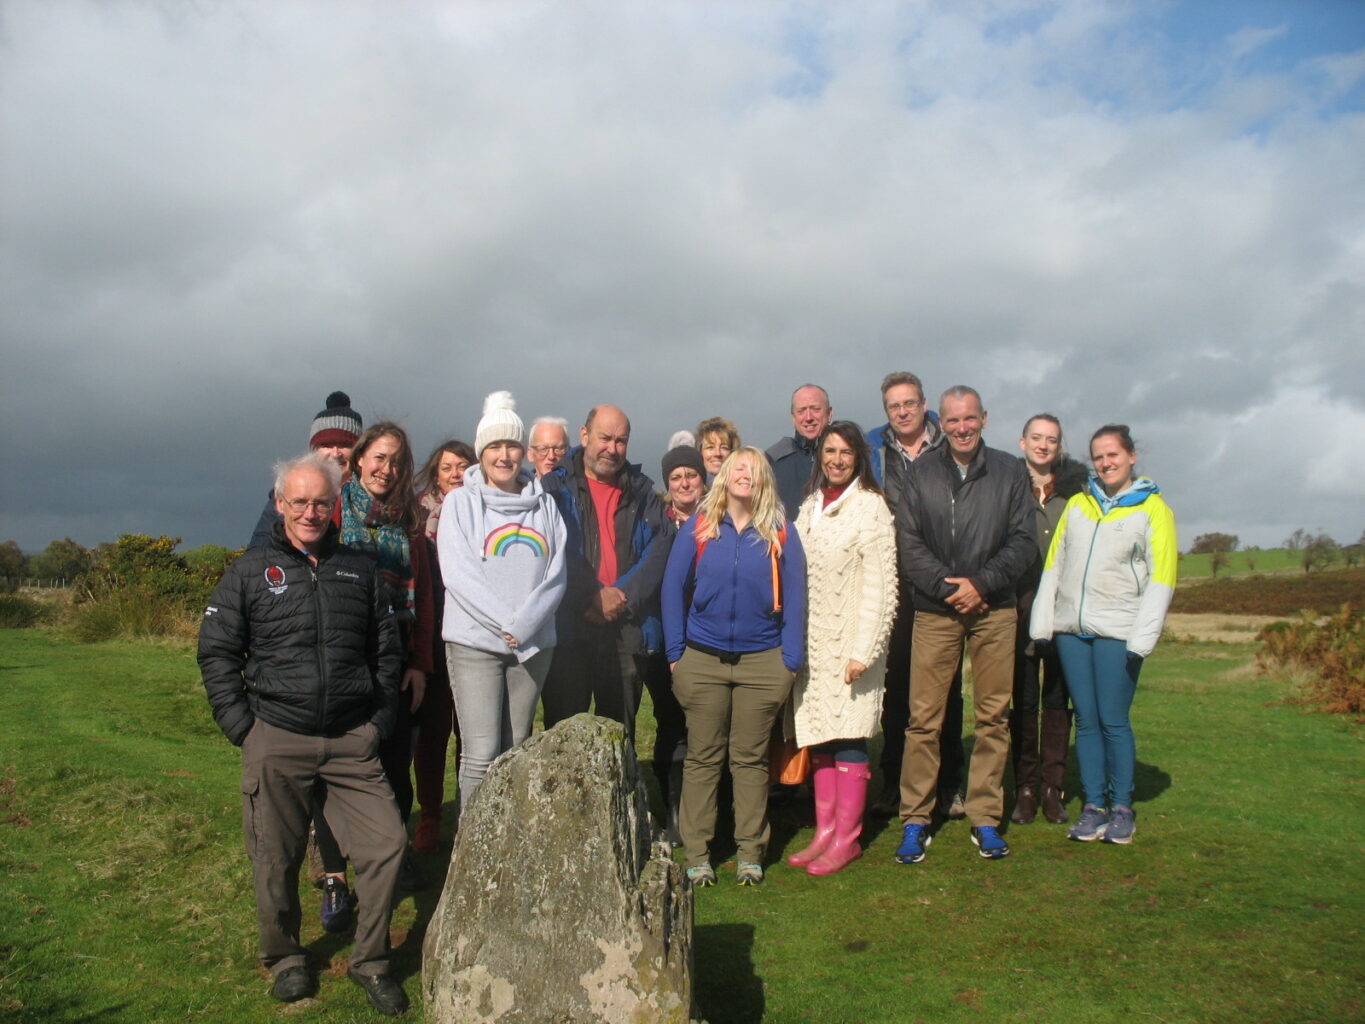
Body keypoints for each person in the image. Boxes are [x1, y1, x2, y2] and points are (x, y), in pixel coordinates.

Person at [199, 452, 409, 1015]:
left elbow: (386, 654)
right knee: (276, 857)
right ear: (279, 504)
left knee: (387, 844)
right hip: (277, 734)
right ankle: (286, 959)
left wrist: (377, 725)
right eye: (299, 502)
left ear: (334, 504)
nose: (310, 512)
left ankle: (370, 960)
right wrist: (245, 729)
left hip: (351, 740)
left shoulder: (359, 570)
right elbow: (217, 652)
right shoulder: (248, 571)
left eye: (320, 501)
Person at [894, 386, 1034, 864]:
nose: (961, 428)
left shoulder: (1010, 471)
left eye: (969, 419)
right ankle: (916, 818)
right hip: (936, 610)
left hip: (994, 609)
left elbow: (1023, 541)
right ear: (942, 422)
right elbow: (908, 541)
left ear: (984, 419)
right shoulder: (921, 472)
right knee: (923, 721)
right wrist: (947, 586)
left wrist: (982, 583)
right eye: (952, 421)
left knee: (993, 717)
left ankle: (986, 818)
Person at [662, 447, 806, 887]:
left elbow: (798, 595)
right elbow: (672, 589)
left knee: (749, 760)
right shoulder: (699, 528)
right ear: (724, 477)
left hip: (763, 663)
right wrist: (675, 655)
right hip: (701, 660)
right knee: (702, 758)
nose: (746, 475)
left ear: (764, 481)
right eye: (738, 468)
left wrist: (790, 662)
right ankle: (698, 854)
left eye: (754, 470)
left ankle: (750, 852)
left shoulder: (781, 531)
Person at [1030, 424, 1177, 845]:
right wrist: (1044, 623)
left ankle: (1122, 808)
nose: (1105, 463)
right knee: (1088, 723)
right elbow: (1055, 567)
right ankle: (1093, 806)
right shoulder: (1078, 505)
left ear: (1131, 456)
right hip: (1073, 632)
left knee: (1113, 721)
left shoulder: (1153, 509)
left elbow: (1162, 577)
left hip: (1119, 631)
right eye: (1098, 456)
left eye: (1113, 454)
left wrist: (1142, 637)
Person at [437, 392, 568, 814]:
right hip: (475, 644)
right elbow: (459, 575)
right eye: (495, 446)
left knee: (516, 747)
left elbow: (557, 572)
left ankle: (508, 848)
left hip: (532, 646)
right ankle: (471, 855)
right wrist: (505, 622)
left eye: (511, 445)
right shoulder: (460, 503)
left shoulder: (545, 504)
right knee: (480, 751)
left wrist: (525, 625)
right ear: (481, 452)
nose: (504, 455)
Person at [787, 422, 897, 876]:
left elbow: (883, 586)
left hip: (851, 644)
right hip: (814, 647)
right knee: (821, 738)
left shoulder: (871, 507)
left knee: (850, 735)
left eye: (845, 453)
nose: (835, 459)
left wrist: (864, 651)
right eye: (829, 451)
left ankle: (847, 839)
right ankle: (824, 832)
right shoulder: (810, 505)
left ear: (859, 459)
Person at [337, 423, 435, 890]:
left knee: (396, 766)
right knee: (342, 763)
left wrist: (419, 663)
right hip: (344, 656)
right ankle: (336, 869)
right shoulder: (336, 510)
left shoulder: (409, 520)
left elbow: (426, 598)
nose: (387, 468)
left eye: (396, 461)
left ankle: (393, 859)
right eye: (379, 457)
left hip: (395, 657)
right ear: (359, 459)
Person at [864, 371, 965, 820]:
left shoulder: (950, 446)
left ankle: (950, 784)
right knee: (898, 689)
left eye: (909, 403)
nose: (902, 412)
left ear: (924, 404)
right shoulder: (875, 449)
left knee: (947, 688)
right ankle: (895, 783)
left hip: (942, 576)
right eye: (893, 406)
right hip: (894, 581)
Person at [540, 405, 672, 738]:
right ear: (585, 436)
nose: (612, 448)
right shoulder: (553, 489)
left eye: (621, 440)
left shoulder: (643, 491)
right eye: (605, 438)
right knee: (563, 738)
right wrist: (591, 595)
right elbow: (554, 548)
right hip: (569, 627)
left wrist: (620, 596)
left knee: (619, 735)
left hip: (625, 630)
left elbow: (660, 548)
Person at [1010, 415, 1088, 826]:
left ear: (1059, 446)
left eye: (1051, 440)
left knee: (1057, 702)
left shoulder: (1077, 493)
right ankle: (1023, 786)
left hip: (1065, 614)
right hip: (1019, 611)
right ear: (1022, 441)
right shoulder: (1008, 488)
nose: (1043, 446)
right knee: (1022, 703)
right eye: (1036, 438)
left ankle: (1052, 788)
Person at [410, 438, 476, 853]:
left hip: (471, 634)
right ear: (435, 472)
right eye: (446, 467)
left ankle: (468, 820)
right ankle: (430, 819)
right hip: (431, 638)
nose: (454, 473)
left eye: (461, 466)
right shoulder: (417, 515)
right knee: (432, 737)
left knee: (469, 735)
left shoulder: (483, 510)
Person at [643, 444, 709, 845]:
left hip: (709, 639)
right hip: (665, 638)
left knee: (709, 728)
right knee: (671, 723)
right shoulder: (657, 521)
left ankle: (710, 813)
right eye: (676, 477)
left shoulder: (718, 519)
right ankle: (675, 812)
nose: (684, 482)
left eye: (691, 475)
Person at [247, 390, 361, 549]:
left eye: (345, 445)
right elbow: (259, 551)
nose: (335, 453)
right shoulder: (287, 492)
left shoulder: (376, 498)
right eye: (326, 445)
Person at [766, 384, 832, 516]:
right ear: (793, 418)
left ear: (829, 414)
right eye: (801, 411)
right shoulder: (773, 459)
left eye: (815, 409)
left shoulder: (848, 457)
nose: (808, 417)